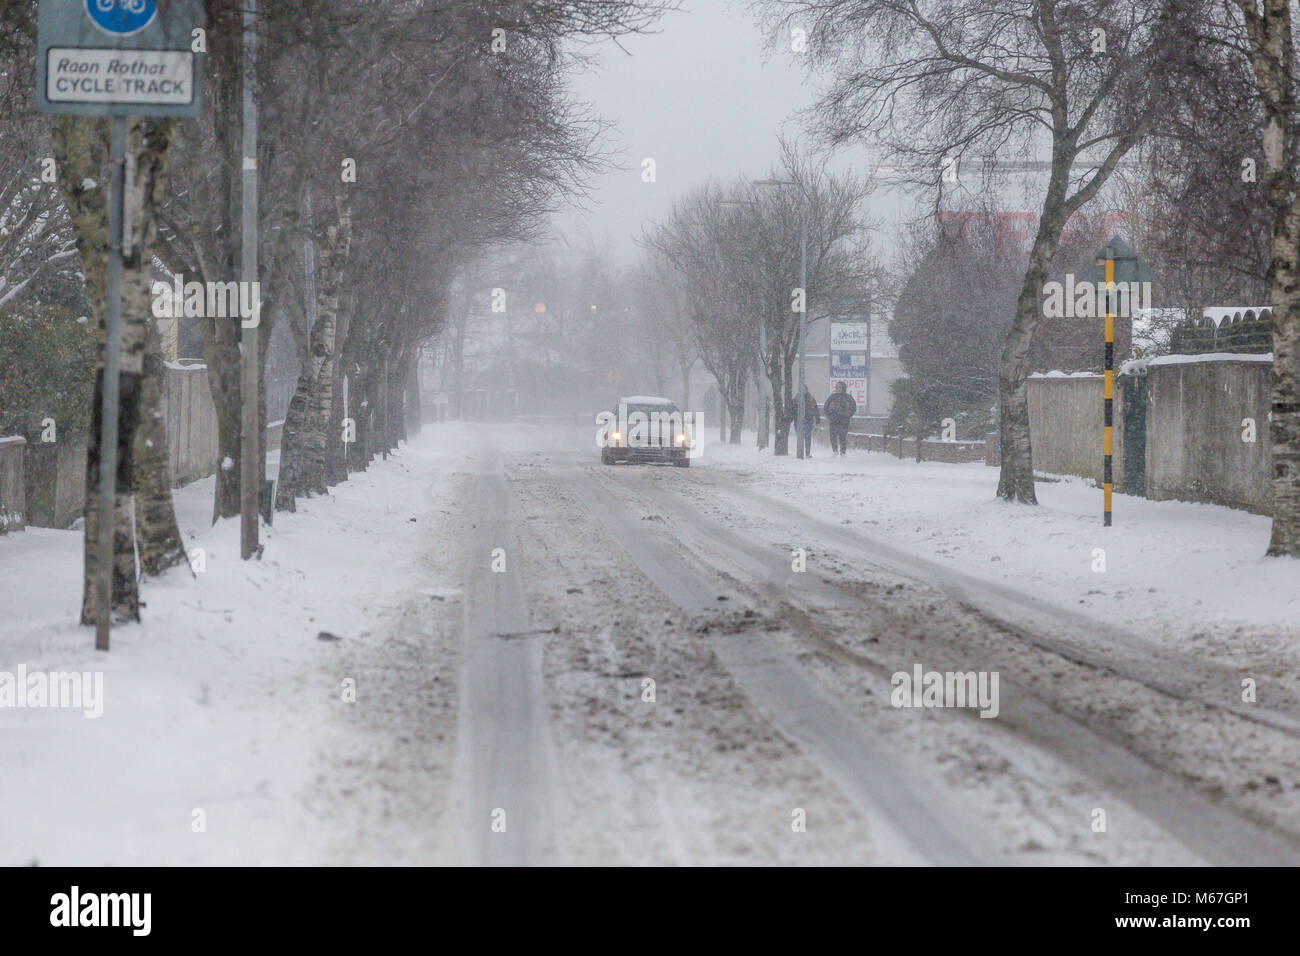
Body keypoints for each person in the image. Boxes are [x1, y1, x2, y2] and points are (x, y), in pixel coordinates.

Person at [824, 381, 857, 457]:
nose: (838, 389)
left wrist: (848, 415)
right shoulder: (832, 397)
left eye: (839, 387)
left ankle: (843, 452)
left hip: (844, 420)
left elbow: (853, 408)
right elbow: (826, 407)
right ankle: (835, 451)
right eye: (836, 388)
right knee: (833, 436)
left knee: (843, 436)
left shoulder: (848, 398)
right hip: (833, 420)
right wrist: (830, 416)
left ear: (843, 388)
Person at [798, 385, 821, 457]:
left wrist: (818, 422)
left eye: (804, 389)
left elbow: (816, 410)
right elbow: (793, 408)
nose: (803, 391)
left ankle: (807, 452)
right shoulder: (797, 398)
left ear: (807, 390)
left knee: (807, 437)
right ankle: (800, 451)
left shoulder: (811, 399)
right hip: (799, 421)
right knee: (800, 437)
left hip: (808, 421)